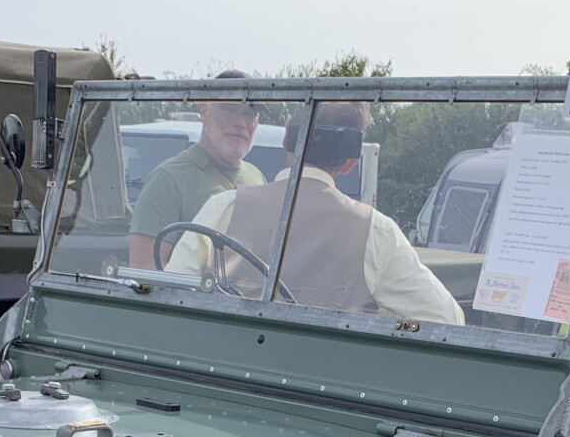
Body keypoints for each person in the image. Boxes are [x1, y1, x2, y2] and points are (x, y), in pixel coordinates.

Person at [165, 102, 463, 325]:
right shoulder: (376, 231)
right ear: (351, 162)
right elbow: (448, 320)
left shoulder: (224, 207)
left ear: (286, 139)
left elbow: (170, 296)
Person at [128, 70, 265, 269]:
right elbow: (145, 271)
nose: (241, 123)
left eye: (251, 113)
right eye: (230, 109)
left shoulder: (257, 177)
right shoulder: (168, 180)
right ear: (203, 110)